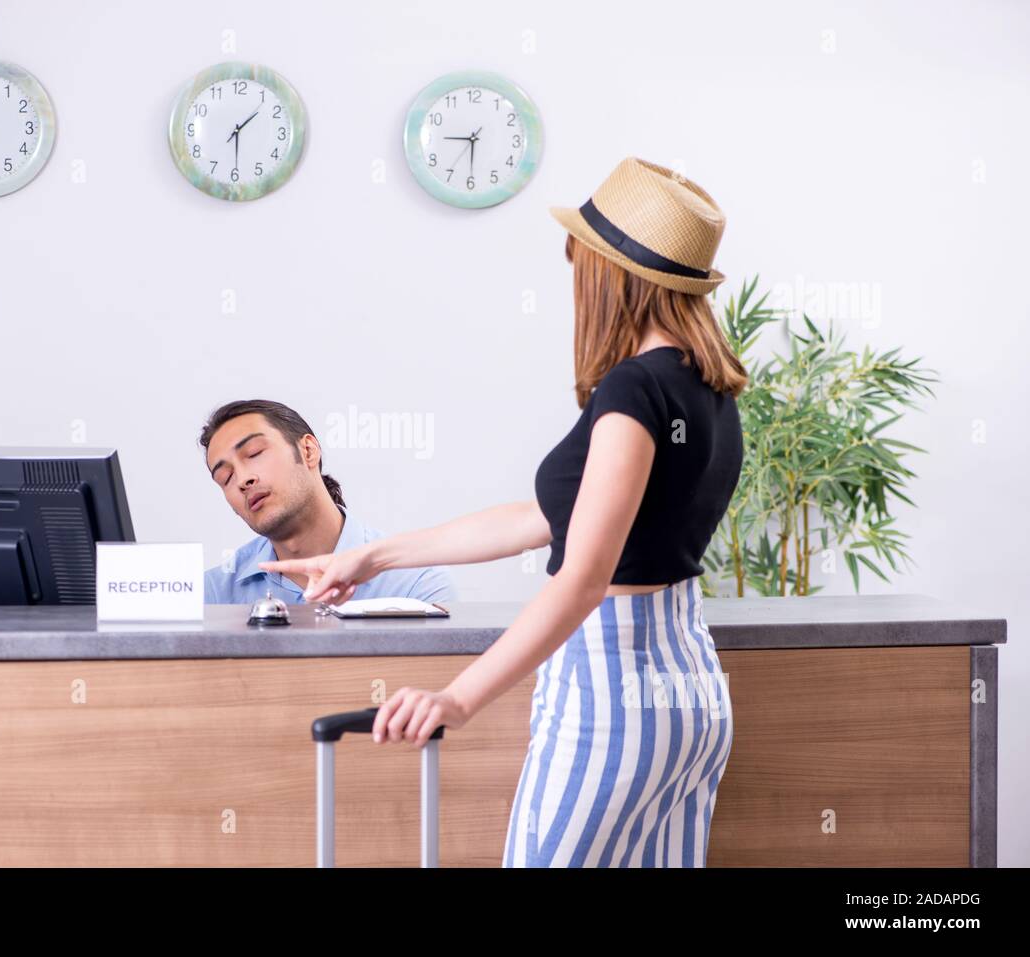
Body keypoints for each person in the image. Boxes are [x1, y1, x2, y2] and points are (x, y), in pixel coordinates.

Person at [261, 157, 745, 867]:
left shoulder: (634, 391)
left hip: (611, 692)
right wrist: (369, 556)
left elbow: (582, 577)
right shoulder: (708, 388)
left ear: (612, 275)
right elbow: (538, 517)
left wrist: (457, 698)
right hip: (690, 692)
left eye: (582, 262)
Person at [198, 398, 456, 606]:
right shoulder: (209, 598)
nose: (243, 479)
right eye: (226, 477)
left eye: (254, 453)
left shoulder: (415, 583)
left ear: (308, 451)